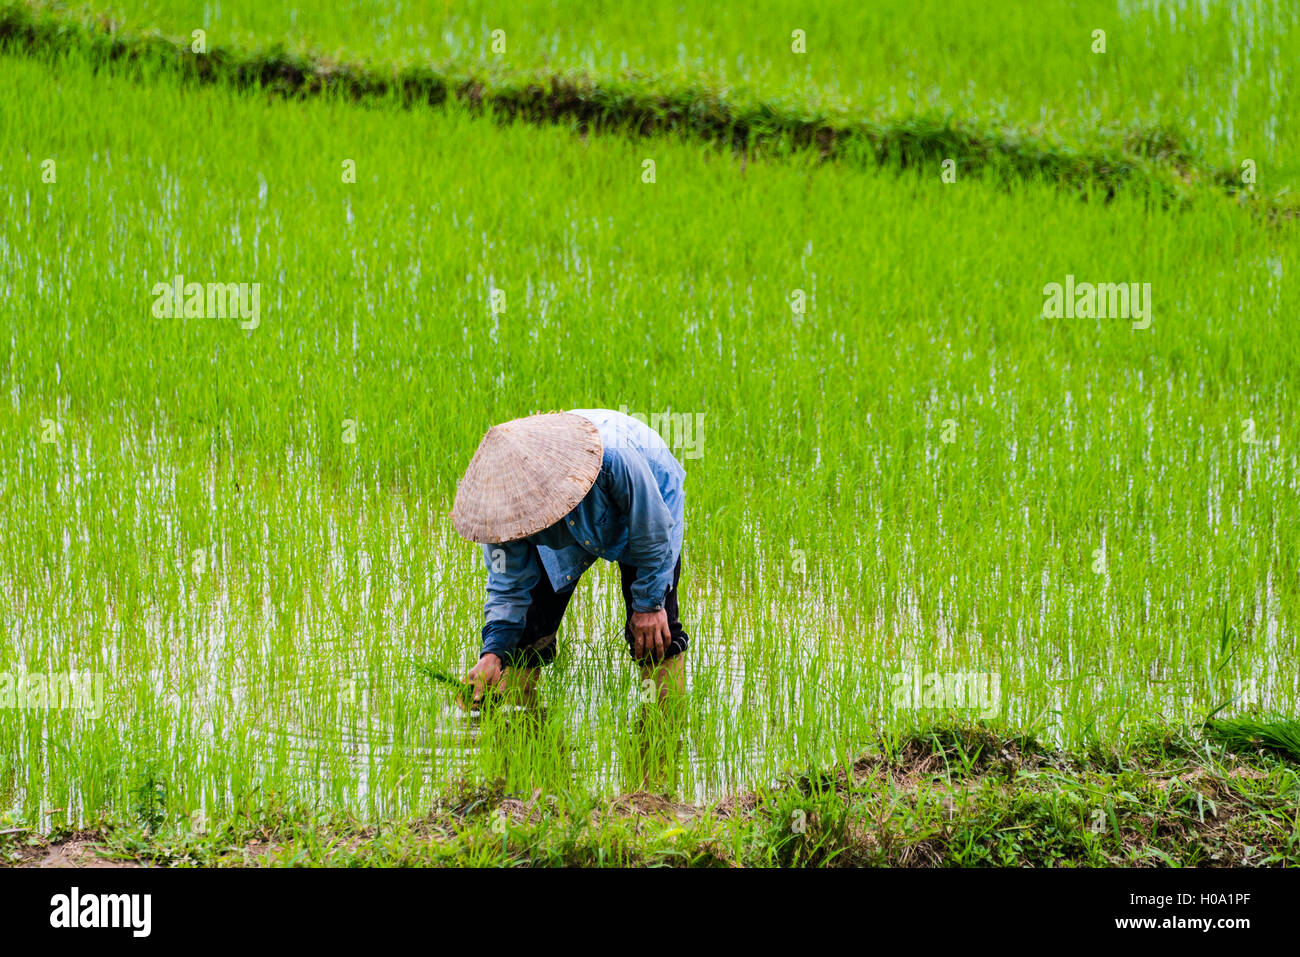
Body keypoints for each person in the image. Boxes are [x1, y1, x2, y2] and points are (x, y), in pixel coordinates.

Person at [450, 408, 689, 707]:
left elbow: (653, 532)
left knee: (654, 637)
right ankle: (522, 731)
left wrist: (650, 605)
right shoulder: (501, 514)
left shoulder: (616, 461)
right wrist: (493, 653)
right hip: (578, 516)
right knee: (525, 636)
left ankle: (663, 729)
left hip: (642, 512)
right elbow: (507, 589)